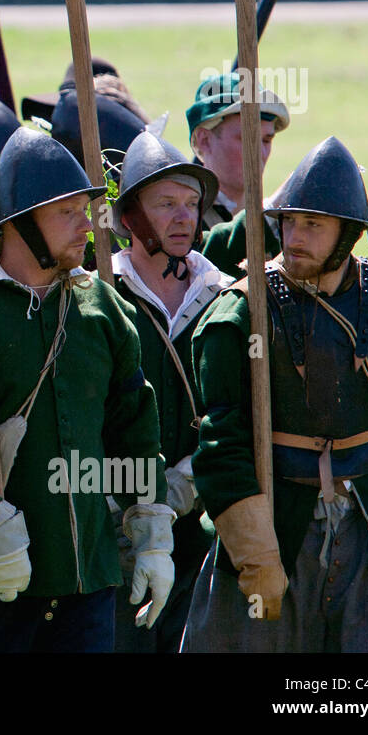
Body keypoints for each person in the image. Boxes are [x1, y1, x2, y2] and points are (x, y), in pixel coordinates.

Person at [0, 127, 171, 653]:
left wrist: (152, 534)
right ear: (20, 224)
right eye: (66, 213)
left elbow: (134, 432)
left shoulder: (105, 312)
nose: (86, 227)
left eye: (85, 210)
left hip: (85, 586)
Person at [183, 136, 368, 652]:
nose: (294, 236)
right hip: (275, 527)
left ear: (348, 233)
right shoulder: (240, 314)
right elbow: (221, 444)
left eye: (313, 225)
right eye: (288, 221)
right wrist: (255, 554)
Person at [108, 132, 227, 652]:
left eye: (192, 204)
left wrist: (186, 483)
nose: (184, 218)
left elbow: (233, 415)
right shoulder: (96, 294)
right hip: (109, 533)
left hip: (196, 529)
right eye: (165, 204)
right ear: (132, 217)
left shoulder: (222, 296)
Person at [188, 72, 290, 278]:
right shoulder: (183, 218)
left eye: (266, 140)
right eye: (247, 139)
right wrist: (271, 210)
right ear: (204, 140)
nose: (260, 154)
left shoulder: (284, 226)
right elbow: (201, 263)